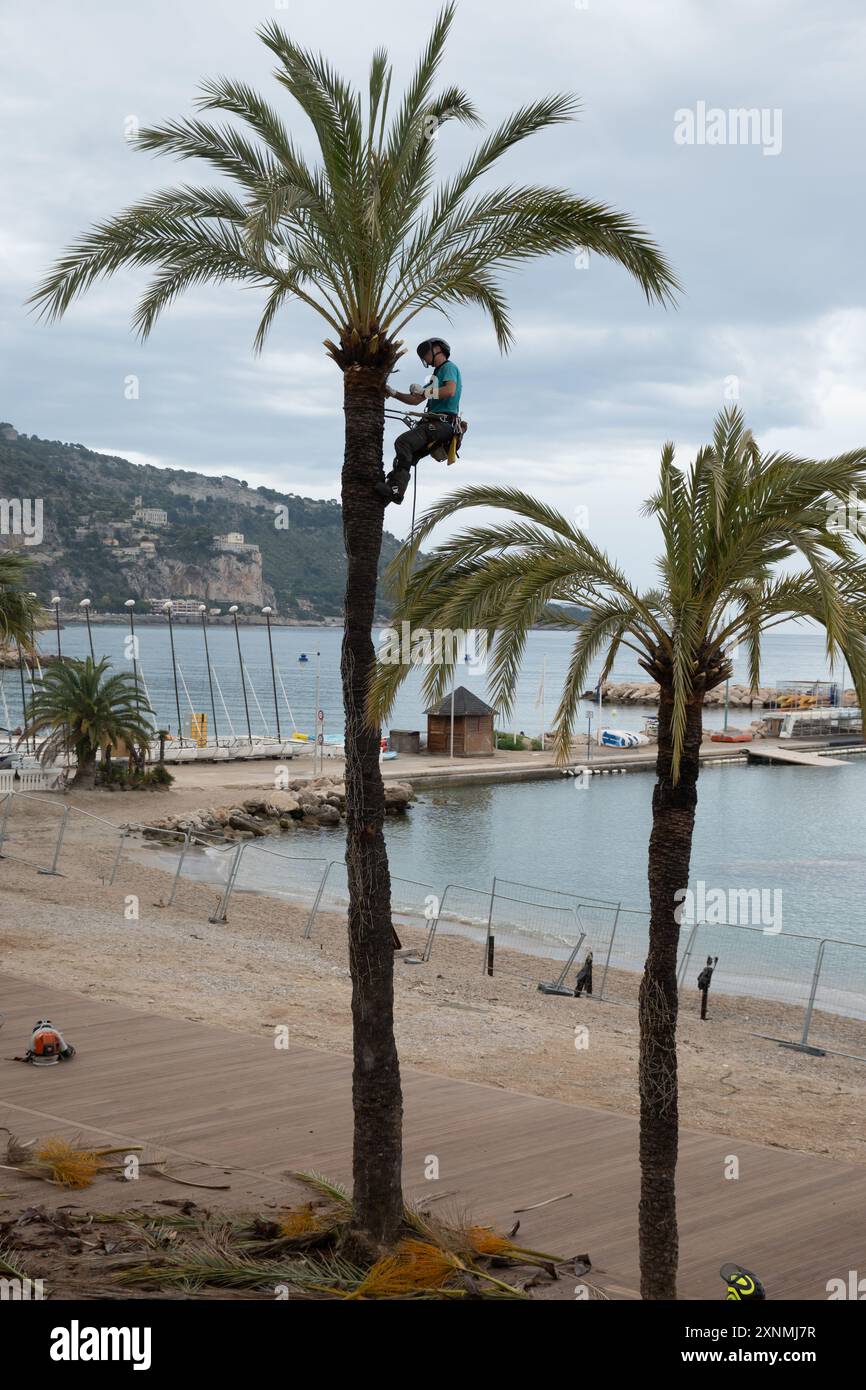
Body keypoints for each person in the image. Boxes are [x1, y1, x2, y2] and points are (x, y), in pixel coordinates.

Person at [374, 338, 463, 505]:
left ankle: (397, 489)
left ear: (437, 349)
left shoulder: (449, 367)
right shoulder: (436, 376)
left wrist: (425, 392)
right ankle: (392, 492)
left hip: (443, 424)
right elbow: (415, 400)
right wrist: (394, 393)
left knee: (403, 442)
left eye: (426, 354)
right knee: (406, 458)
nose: (426, 359)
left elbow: (450, 391)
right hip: (436, 425)